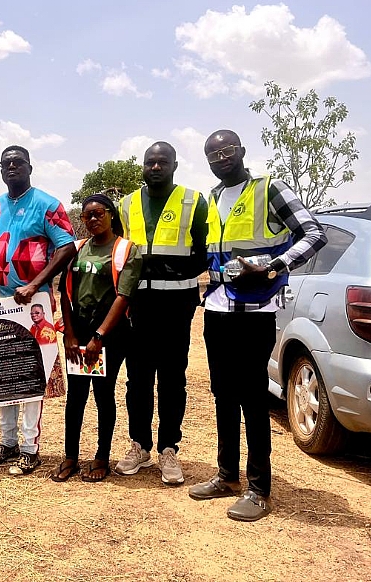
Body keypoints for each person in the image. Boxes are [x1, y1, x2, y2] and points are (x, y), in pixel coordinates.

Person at [188, 130, 326, 522]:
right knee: (223, 395)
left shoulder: (270, 188)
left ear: (242, 151)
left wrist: (276, 265)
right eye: (212, 153)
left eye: (227, 150)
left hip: (255, 313)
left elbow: (314, 232)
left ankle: (259, 488)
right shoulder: (212, 199)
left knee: (252, 397)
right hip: (216, 310)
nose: (220, 158)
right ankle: (227, 475)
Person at [115, 142, 208, 485]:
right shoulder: (127, 204)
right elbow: (120, 252)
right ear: (143, 166)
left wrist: (173, 271)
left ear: (174, 165)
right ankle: (139, 445)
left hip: (177, 304)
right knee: (137, 379)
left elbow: (204, 250)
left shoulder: (193, 201)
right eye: (150, 162)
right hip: (137, 304)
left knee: (172, 379)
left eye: (162, 162)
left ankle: (169, 448)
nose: (156, 167)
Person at [0, 145, 76, 475]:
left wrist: (35, 284)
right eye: (6, 163)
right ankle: (7, 443)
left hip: (34, 303)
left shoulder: (48, 205)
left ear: (30, 168)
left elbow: (66, 247)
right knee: (4, 374)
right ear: (0, 169)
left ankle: (29, 447)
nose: (12, 168)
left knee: (32, 375)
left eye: (18, 163)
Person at [53, 194, 141, 483]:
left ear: (111, 214)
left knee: (104, 395)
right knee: (76, 396)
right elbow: (65, 293)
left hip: (110, 335)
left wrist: (99, 337)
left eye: (98, 213)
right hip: (78, 332)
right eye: (87, 215)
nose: (92, 219)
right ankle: (70, 456)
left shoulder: (126, 250)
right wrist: (69, 334)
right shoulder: (76, 249)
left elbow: (123, 297)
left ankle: (102, 457)